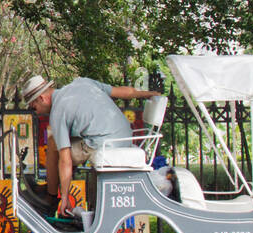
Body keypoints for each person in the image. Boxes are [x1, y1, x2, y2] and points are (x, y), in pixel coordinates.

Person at [21, 75, 161, 217]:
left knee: (53, 145)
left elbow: (65, 160)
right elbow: (123, 92)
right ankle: (50, 189)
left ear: (42, 99)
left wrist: (64, 198)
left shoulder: (58, 112)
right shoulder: (83, 83)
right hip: (124, 136)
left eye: (34, 107)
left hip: (106, 144)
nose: (35, 111)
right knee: (56, 142)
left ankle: (50, 199)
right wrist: (149, 94)